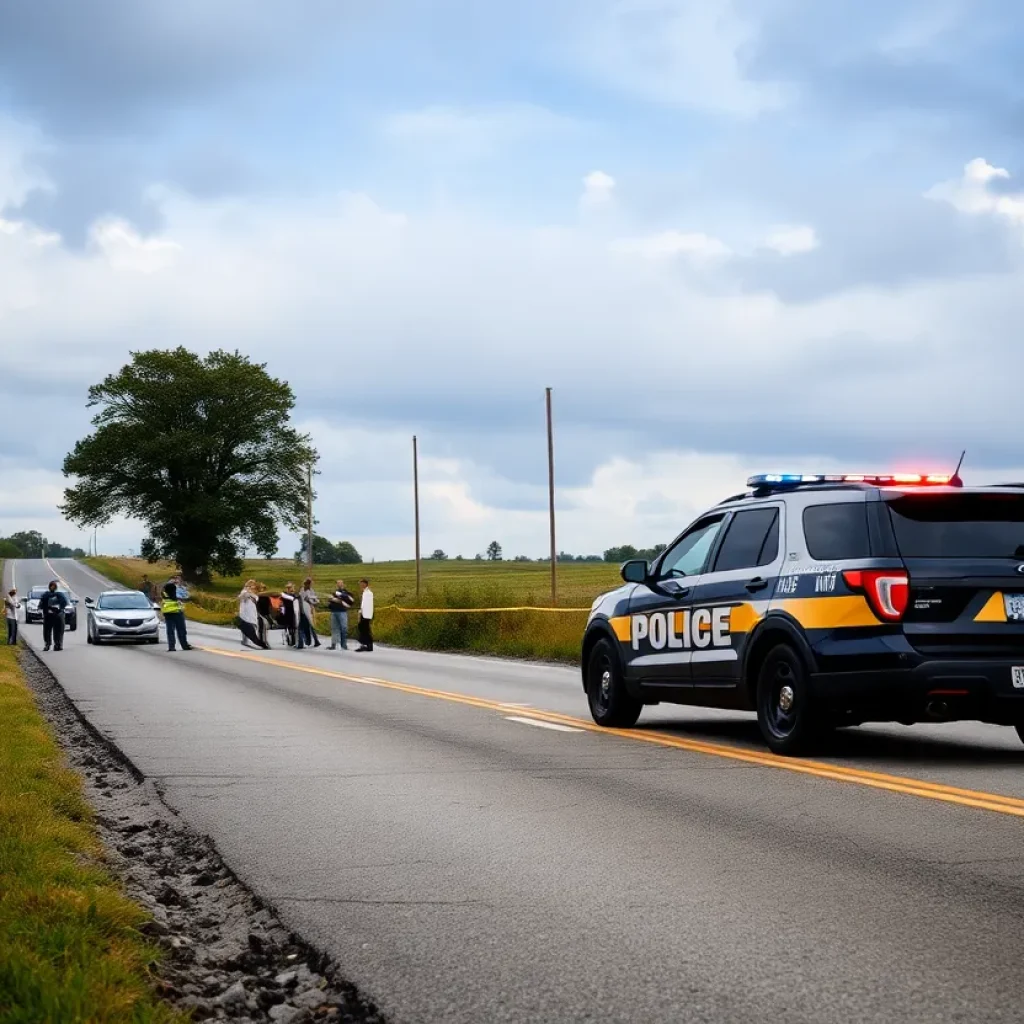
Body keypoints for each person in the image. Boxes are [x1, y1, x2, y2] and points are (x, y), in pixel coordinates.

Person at [162, 573, 193, 651]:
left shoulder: (164, 594)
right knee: (181, 630)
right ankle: (184, 645)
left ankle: (171, 647)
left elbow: (166, 588)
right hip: (177, 613)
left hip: (168, 614)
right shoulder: (175, 594)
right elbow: (183, 598)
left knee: (170, 631)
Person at [237, 579, 270, 650]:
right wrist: (246, 591)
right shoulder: (244, 592)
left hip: (252, 616)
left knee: (253, 630)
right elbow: (242, 596)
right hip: (245, 616)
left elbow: (256, 598)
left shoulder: (254, 596)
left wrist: (251, 593)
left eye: (254, 586)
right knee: (247, 629)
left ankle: (252, 641)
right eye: (251, 586)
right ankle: (249, 641)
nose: (253, 588)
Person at [38, 581, 68, 652]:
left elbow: (41, 604)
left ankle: (52, 644)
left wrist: (41, 608)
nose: (53, 588)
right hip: (55, 615)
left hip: (52, 615)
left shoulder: (46, 595)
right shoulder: (59, 595)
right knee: (56, 631)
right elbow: (65, 603)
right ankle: (54, 644)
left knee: (50, 631)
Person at [327, 579, 354, 651]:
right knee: (334, 628)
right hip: (334, 612)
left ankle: (344, 645)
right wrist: (331, 601)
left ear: (343, 584)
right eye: (338, 583)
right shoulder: (333, 593)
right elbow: (330, 603)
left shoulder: (347, 593)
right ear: (337, 585)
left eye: (341, 583)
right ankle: (333, 645)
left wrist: (338, 598)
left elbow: (350, 600)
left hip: (342, 612)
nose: (339, 584)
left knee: (344, 628)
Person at [298, 577, 321, 648]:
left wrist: (316, 601)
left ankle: (316, 640)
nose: (312, 585)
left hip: (310, 608)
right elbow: (306, 598)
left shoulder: (311, 590)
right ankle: (307, 641)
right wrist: (313, 601)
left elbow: (314, 598)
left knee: (312, 624)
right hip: (305, 608)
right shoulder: (303, 590)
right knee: (307, 625)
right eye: (311, 583)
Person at [279, 582, 301, 648]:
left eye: (291, 587)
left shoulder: (295, 595)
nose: (290, 589)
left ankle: (294, 640)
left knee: (294, 626)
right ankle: (289, 639)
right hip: (287, 612)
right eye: (289, 588)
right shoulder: (284, 595)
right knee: (289, 627)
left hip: (294, 612)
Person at [355, 578, 374, 652]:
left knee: (364, 630)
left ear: (365, 584)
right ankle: (367, 645)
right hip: (365, 614)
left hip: (366, 614)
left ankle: (366, 645)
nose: (360, 585)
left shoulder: (368, 593)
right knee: (364, 630)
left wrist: (360, 613)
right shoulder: (365, 592)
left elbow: (365, 605)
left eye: (362, 583)